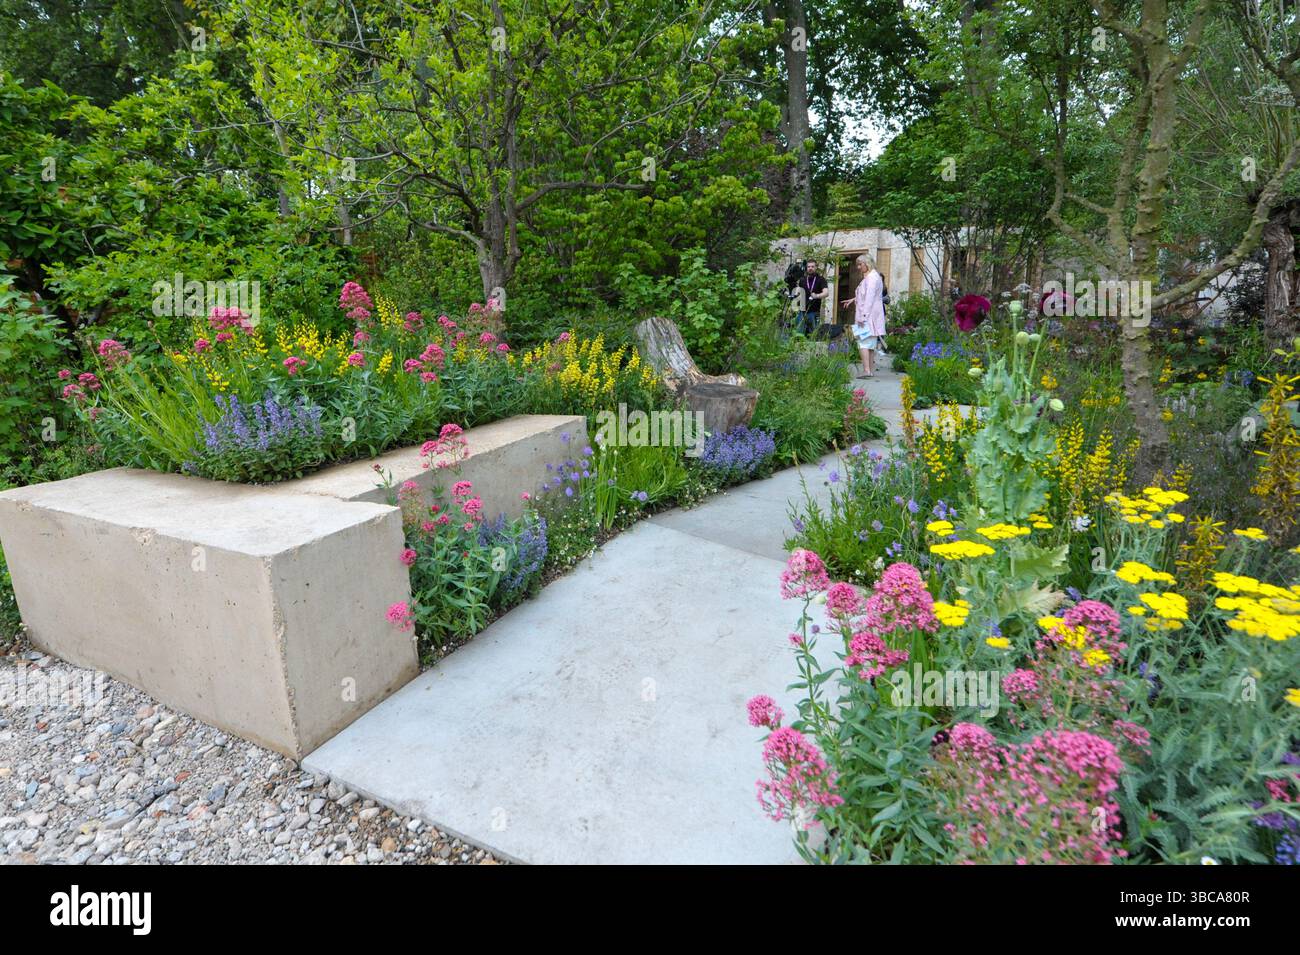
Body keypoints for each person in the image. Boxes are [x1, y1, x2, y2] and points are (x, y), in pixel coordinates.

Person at [843, 254, 885, 378]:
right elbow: (866, 294)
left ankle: (866, 370)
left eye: (860, 264)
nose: (858, 267)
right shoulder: (872, 276)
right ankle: (870, 370)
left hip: (868, 315)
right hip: (872, 314)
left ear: (867, 263)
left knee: (863, 343)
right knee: (870, 344)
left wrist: (863, 316)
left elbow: (869, 298)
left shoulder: (872, 278)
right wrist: (853, 299)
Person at [794, 260, 829, 336]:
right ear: (806, 268)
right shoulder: (802, 279)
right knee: (799, 335)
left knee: (814, 335)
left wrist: (816, 296)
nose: (810, 268)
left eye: (812, 266)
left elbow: (826, 293)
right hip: (802, 312)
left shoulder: (821, 279)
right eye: (809, 267)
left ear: (816, 267)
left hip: (814, 312)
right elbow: (798, 291)